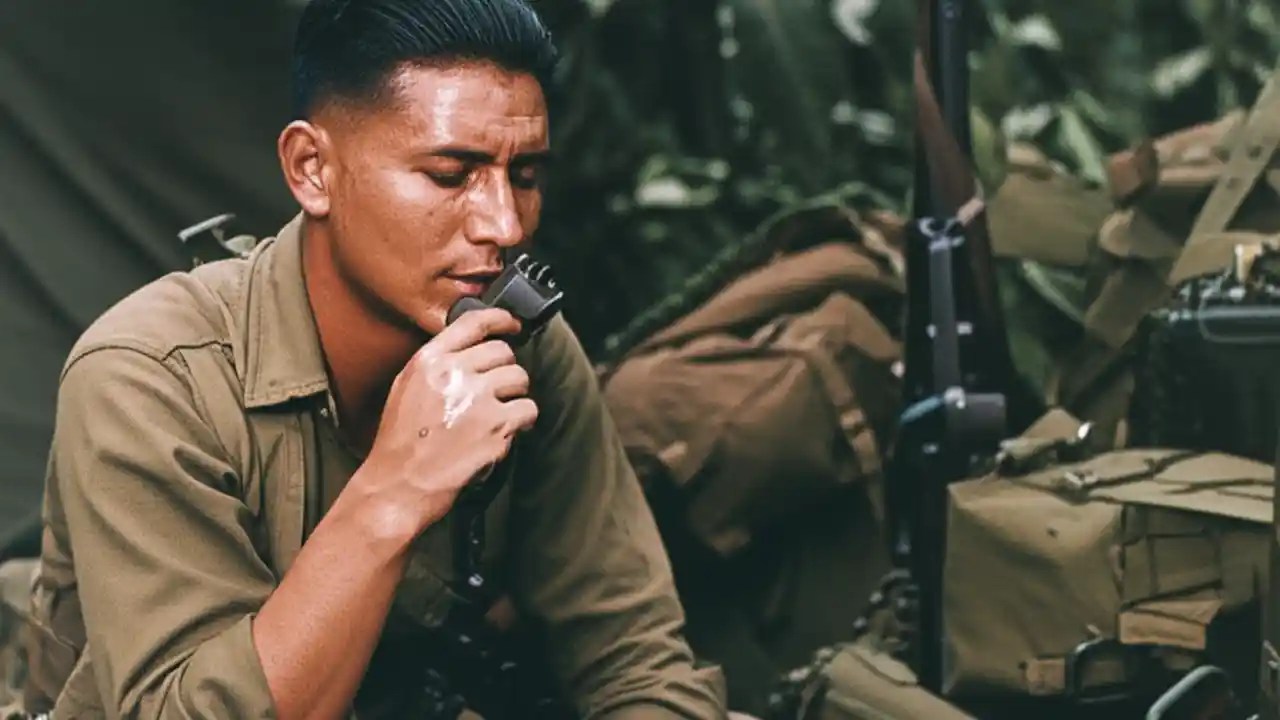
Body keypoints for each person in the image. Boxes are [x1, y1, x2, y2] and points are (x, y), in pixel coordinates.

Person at [22, 0, 728, 718]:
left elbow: (637, 664)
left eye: (524, 176)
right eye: (452, 175)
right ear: (311, 170)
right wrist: (399, 488)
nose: (505, 225)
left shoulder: (522, 351)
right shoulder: (149, 376)